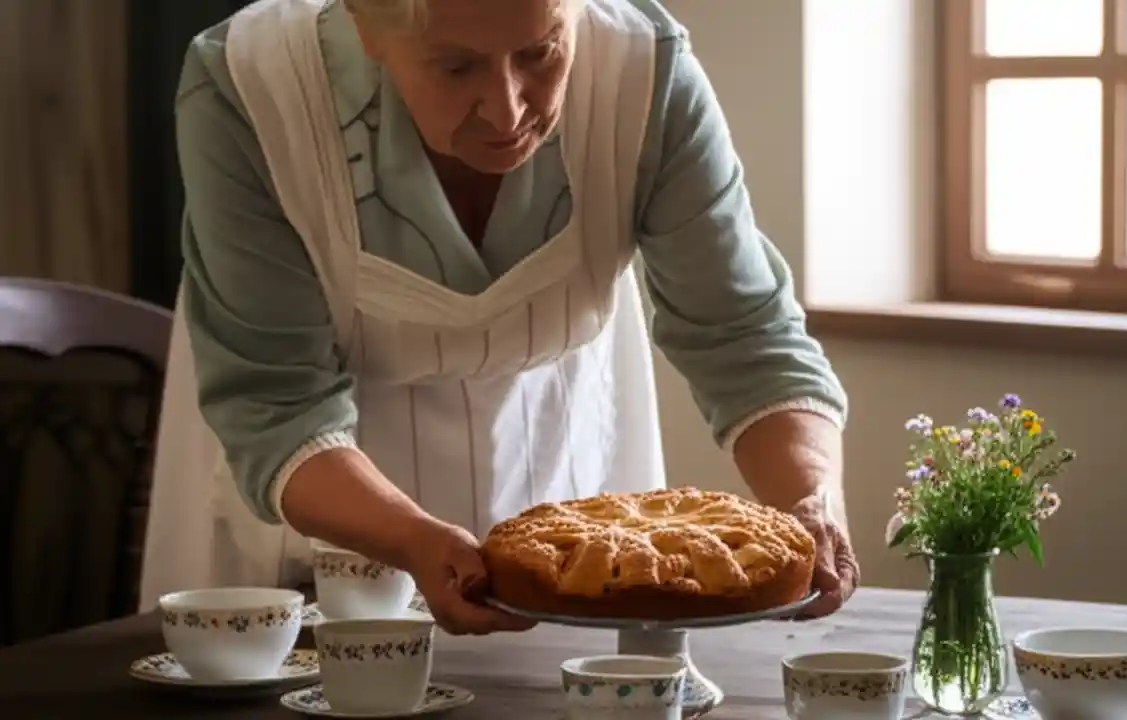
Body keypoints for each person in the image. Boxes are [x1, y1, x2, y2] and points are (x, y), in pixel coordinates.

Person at [139, 0, 857, 636]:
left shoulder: (645, 74)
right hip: (313, 512)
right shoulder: (251, 88)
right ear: (365, 26)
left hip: (561, 466)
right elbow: (276, 405)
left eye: (541, 53)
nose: (509, 110)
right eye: (456, 67)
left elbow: (746, 339)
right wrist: (413, 540)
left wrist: (809, 498)